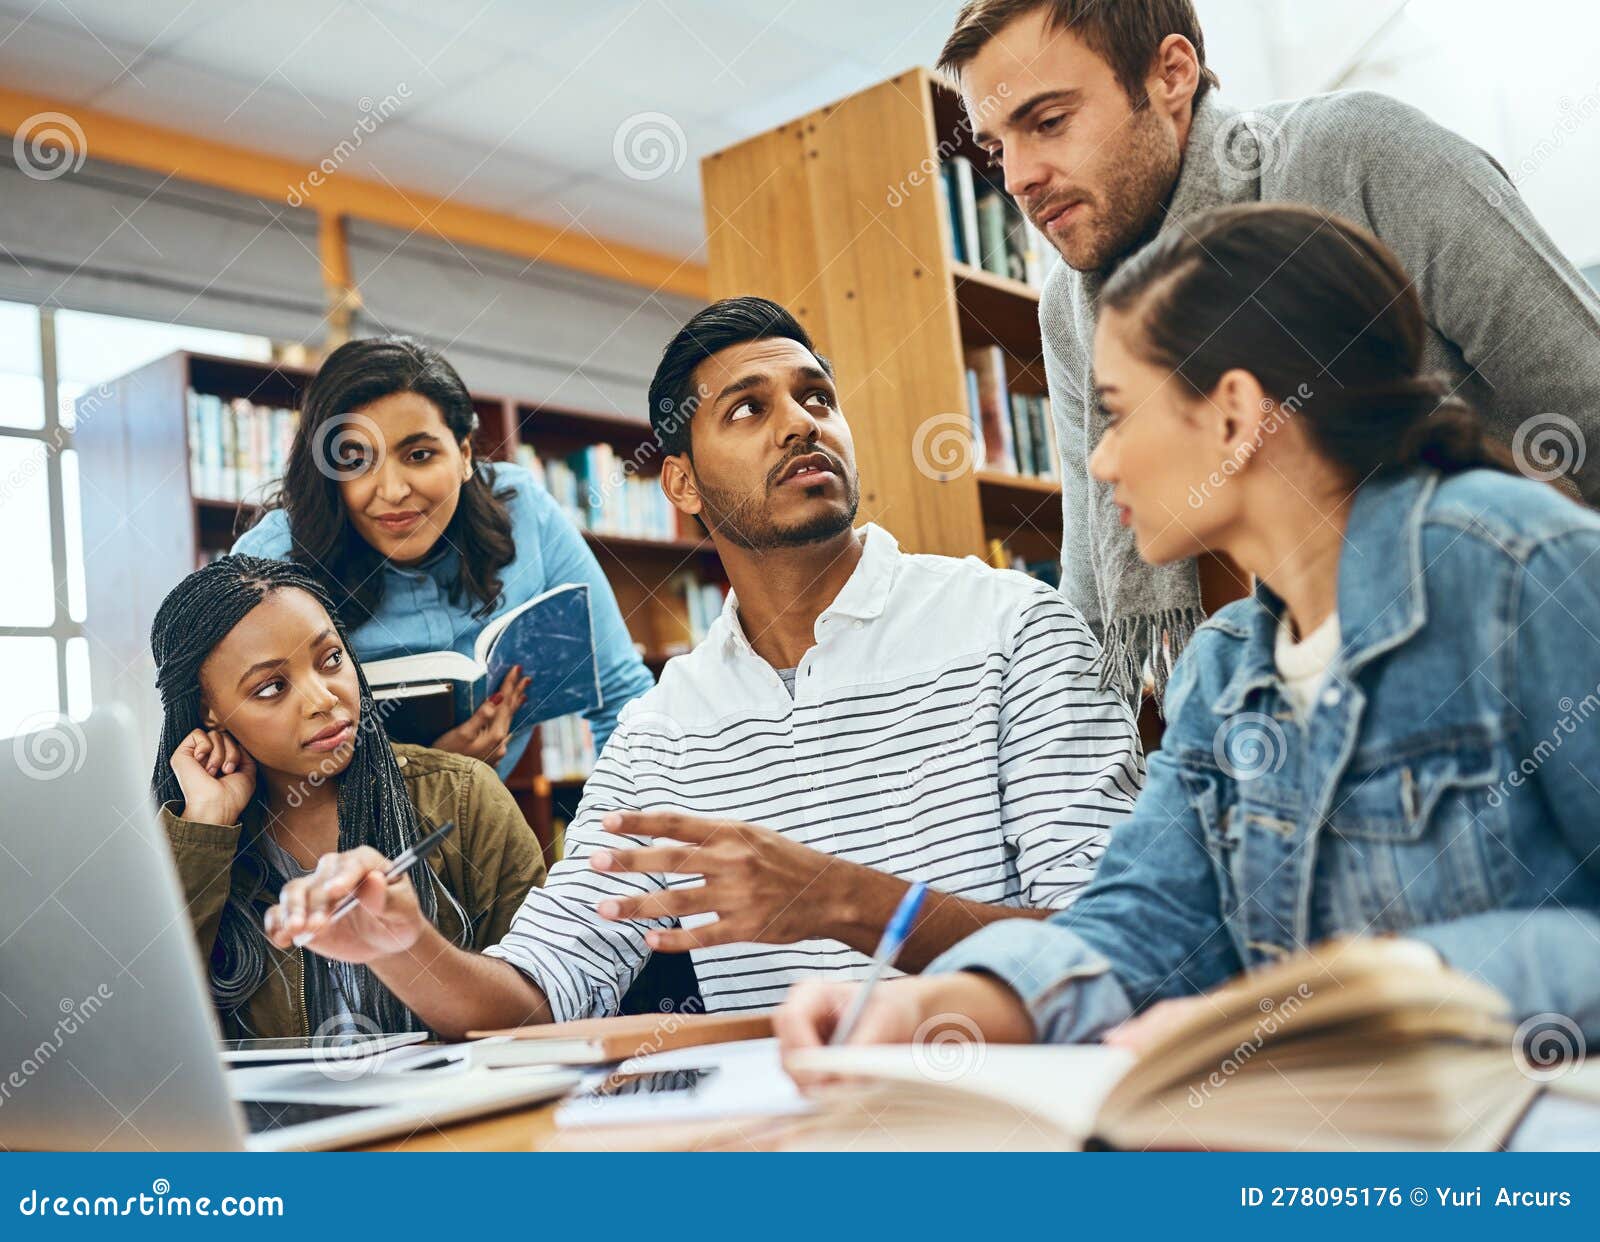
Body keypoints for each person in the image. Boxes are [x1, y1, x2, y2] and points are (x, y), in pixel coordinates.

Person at [774, 205, 1600, 1055]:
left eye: (1118, 413)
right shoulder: (1225, 670)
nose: (1100, 461)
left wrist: (1366, 991)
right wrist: (938, 1006)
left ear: (1235, 417)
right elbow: (1143, 924)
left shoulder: (1523, 569)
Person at [254, 296, 1144, 1038]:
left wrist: (842, 899)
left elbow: (1126, 943)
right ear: (680, 484)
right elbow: (536, 995)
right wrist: (402, 945)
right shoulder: (662, 733)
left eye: (817, 398)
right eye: (748, 409)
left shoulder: (1013, 628)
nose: (801, 422)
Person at [937, 0, 1600, 708]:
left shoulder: (1359, 154)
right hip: (1284, 708)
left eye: (1048, 122)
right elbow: (1092, 591)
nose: (1018, 178)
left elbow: (1586, 396)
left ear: (1171, 74)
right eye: (997, 149)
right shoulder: (1069, 309)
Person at [150, 555, 546, 1039]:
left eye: (331, 659)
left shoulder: (464, 798)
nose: (323, 699)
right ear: (209, 711)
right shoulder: (186, 842)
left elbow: (540, 1008)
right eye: (272, 687)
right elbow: (144, 1033)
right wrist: (206, 829)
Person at [232, 336, 654, 778]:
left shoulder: (524, 510)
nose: (393, 491)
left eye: (419, 455)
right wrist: (428, 775)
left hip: (488, 816)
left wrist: (617, 818)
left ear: (465, 454)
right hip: (330, 821)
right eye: (356, 461)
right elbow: (240, 752)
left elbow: (624, 696)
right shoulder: (272, 559)